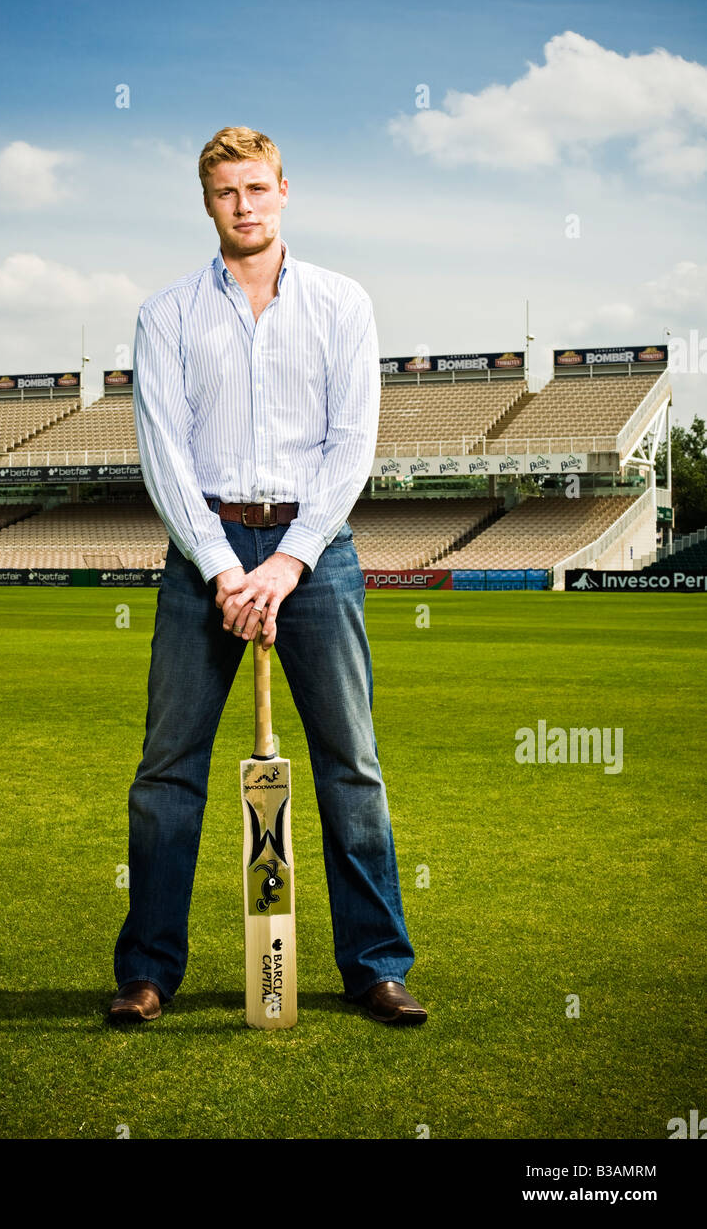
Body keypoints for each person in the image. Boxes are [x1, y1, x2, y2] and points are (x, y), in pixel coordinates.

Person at [110, 126, 427, 1027]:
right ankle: (147, 972)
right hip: (201, 553)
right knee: (167, 771)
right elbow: (164, 455)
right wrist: (223, 569)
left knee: (350, 765)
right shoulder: (166, 313)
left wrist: (287, 563)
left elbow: (351, 444)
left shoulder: (341, 303)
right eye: (224, 193)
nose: (242, 206)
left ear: (285, 190)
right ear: (206, 202)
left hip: (316, 556)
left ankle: (375, 966)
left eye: (256, 189)